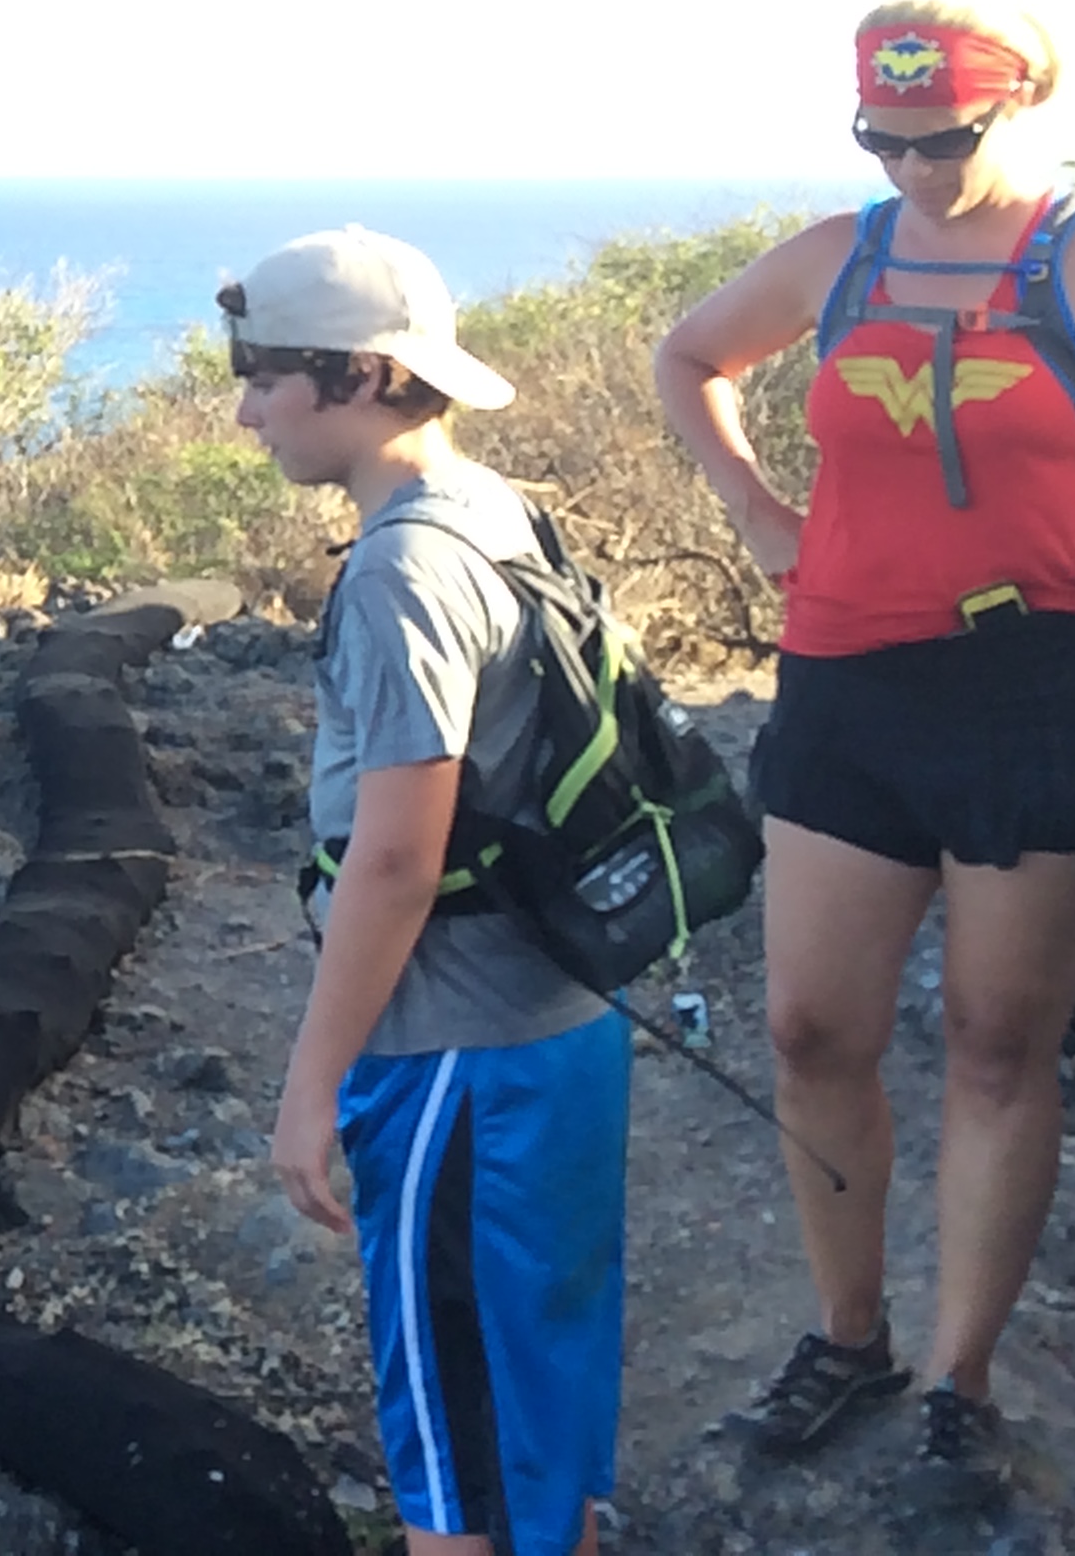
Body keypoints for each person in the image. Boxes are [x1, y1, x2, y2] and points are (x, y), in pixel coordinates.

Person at [655, 0, 1075, 1512]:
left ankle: (959, 1379)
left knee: (995, 1040)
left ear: (1020, 108)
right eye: (887, 141)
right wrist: (752, 511)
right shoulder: (838, 254)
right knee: (810, 1031)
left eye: (948, 140)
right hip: (849, 678)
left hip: (1043, 688)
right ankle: (847, 1336)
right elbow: (691, 357)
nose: (918, 171)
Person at [230, 227, 629, 1556]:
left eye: (260, 373)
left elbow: (399, 857)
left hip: (456, 1055)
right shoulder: (502, 510)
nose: (243, 410)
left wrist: (309, 1085)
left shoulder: (404, 569)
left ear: (356, 376)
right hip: (561, 1019)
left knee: (454, 1436)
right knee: (540, 1384)